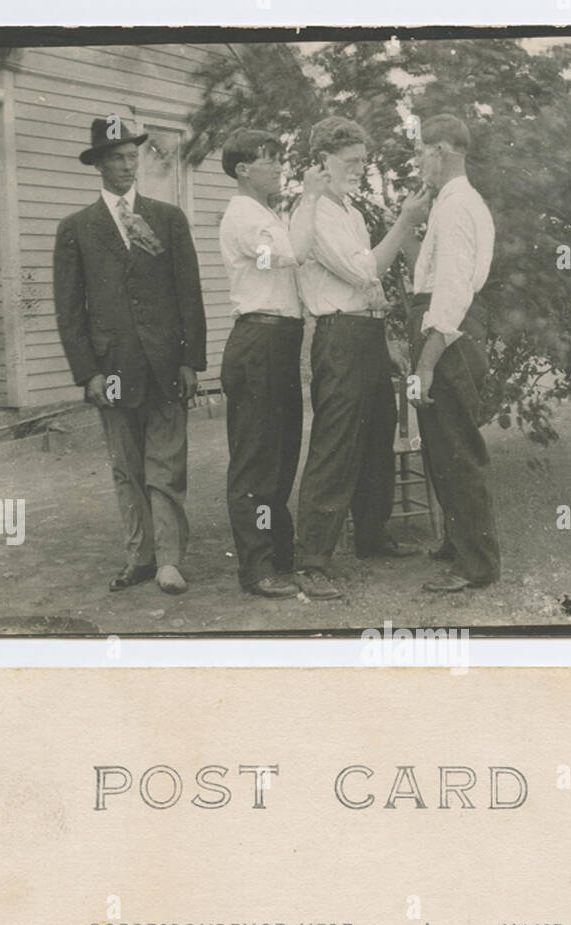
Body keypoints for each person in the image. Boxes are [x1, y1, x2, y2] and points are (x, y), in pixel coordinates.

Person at [53, 117, 206, 595]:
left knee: (166, 465)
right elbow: (69, 308)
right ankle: (139, 557)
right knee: (126, 465)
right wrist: (88, 372)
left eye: (131, 156)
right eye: (116, 157)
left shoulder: (167, 219)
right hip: (112, 369)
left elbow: (189, 294)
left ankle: (169, 562)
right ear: (98, 164)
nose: (126, 165)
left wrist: (190, 360)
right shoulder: (76, 229)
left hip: (164, 365)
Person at [290, 117, 431, 600]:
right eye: (349, 162)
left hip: (366, 333)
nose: (358, 169)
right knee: (336, 443)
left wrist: (384, 334)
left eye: (362, 162)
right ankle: (311, 558)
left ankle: (372, 535)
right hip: (339, 338)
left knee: (377, 434)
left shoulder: (347, 210)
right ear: (322, 164)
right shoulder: (312, 215)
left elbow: (371, 285)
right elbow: (363, 269)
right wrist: (405, 222)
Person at [218, 129, 329, 598]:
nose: (279, 168)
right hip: (259, 339)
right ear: (243, 169)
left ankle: (278, 556)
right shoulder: (243, 214)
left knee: (280, 457)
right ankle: (257, 568)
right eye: (269, 160)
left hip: (280, 338)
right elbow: (290, 255)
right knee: (256, 460)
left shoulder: (265, 213)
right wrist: (311, 198)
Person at [408, 113, 500, 592]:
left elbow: (452, 290)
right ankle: (457, 541)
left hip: (449, 334)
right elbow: (430, 279)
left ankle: (477, 563)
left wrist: (426, 361)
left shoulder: (455, 206)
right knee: (440, 444)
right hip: (442, 326)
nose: (419, 160)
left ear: (441, 151)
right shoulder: (451, 203)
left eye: (422, 151)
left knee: (458, 449)